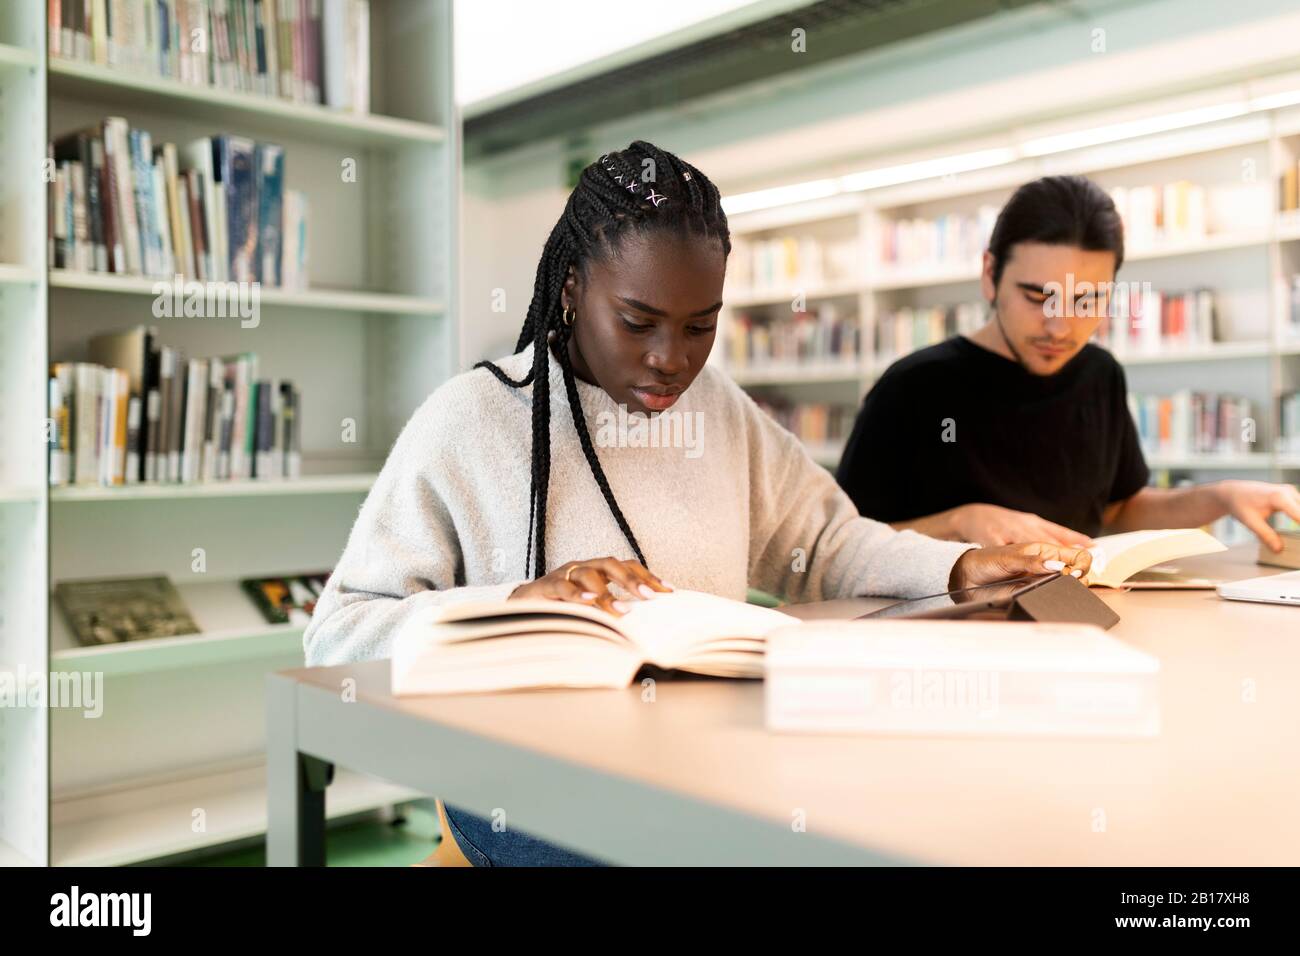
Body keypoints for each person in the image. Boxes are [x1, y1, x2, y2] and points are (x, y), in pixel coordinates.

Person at [303, 142, 1091, 866]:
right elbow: (338, 635)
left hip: (708, 764)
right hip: (527, 792)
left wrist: (958, 567)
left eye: (700, 326)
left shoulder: (718, 410)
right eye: (638, 322)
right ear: (572, 288)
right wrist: (516, 602)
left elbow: (823, 547)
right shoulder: (473, 420)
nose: (670, 359)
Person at [836, 174, 1300, 549]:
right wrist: (961, 522)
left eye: (1087, 300)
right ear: (989, 275)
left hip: (1076, 620)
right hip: (941, 631)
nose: (1061, 327)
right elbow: (841, 545)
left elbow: (1117, 511)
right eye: (1039, 297)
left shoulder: (1100, 374)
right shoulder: (914, 386)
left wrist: (1219, 497)